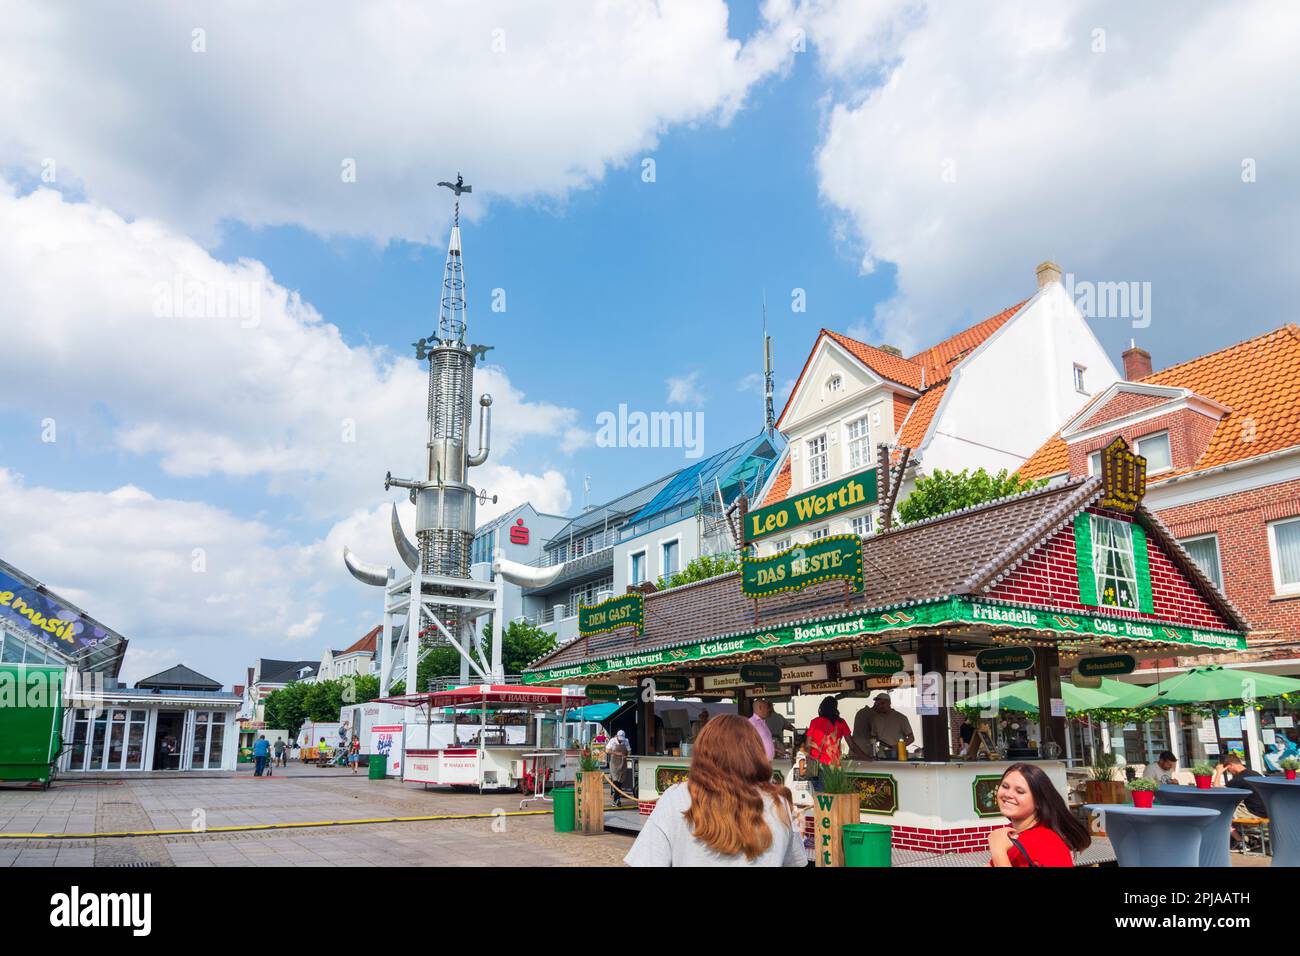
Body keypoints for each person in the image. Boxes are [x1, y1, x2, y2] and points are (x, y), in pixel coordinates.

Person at [624, 714, 804, 867]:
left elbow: (645, 860)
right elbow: (795, 861)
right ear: (755, 752)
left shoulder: (676, 798)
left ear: (703, 751)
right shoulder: (779, 802)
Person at [988, 762, 1090, 867]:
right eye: (1005, 786)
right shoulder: (1013, 833)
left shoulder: (1048, 844)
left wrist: (998, 851)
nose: (1008, 794)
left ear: (1038, 801)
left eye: (1020, 791)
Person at [806, 697, 869, 789]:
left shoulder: (814, 722)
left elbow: (808, 745)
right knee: (827, 796)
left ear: (821, 708)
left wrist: (806, 761)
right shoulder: (841, 723)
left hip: (812, 764)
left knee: (811, 794)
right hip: (831, 766)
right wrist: (867, 757)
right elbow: (852, 745)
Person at [1215, 753, 1267, 848]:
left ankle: (1242, 842)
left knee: (1221, 816)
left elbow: (1216, 788)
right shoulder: (1254, 773)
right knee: (1233, 811)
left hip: (1255, 813)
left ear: (1230, 765)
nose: (1229, 772)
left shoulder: (1240, 778)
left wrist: (1218, 772)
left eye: (1228, 770)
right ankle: (1248, 838)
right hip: (1266, 810)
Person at [852, 693, 916, 759]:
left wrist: (898, 746)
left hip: (899, 755)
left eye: (883, 703)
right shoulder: (875, 719)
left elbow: (911, 738)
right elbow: (874, 738)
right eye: (878, 704)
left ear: (889, 703)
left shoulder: (901, 718)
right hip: (881, 755)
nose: (880, 706)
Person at [607, 729, 632, 806]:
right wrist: (615, 753)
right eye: (619, 738)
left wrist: (626, 755)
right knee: (615, 780)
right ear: (617, 736)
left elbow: (629, 751)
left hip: (622, 762)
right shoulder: (612, 741)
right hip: (614, 762)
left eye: (622, 739)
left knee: (620, 780)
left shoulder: (626, 741)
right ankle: (617, 799)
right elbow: (607, 751)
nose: (621, 741)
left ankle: (616, 799)